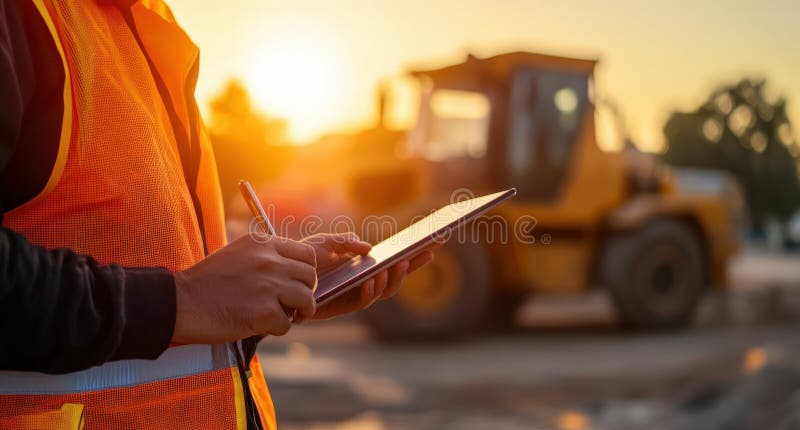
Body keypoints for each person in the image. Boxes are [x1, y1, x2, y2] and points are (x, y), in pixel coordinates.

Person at [0, 1, 434, 428]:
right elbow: (181, 302)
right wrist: (182, 299)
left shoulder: (148, 28)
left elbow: (181, 304)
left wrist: (275, 288)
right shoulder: (27, 17)